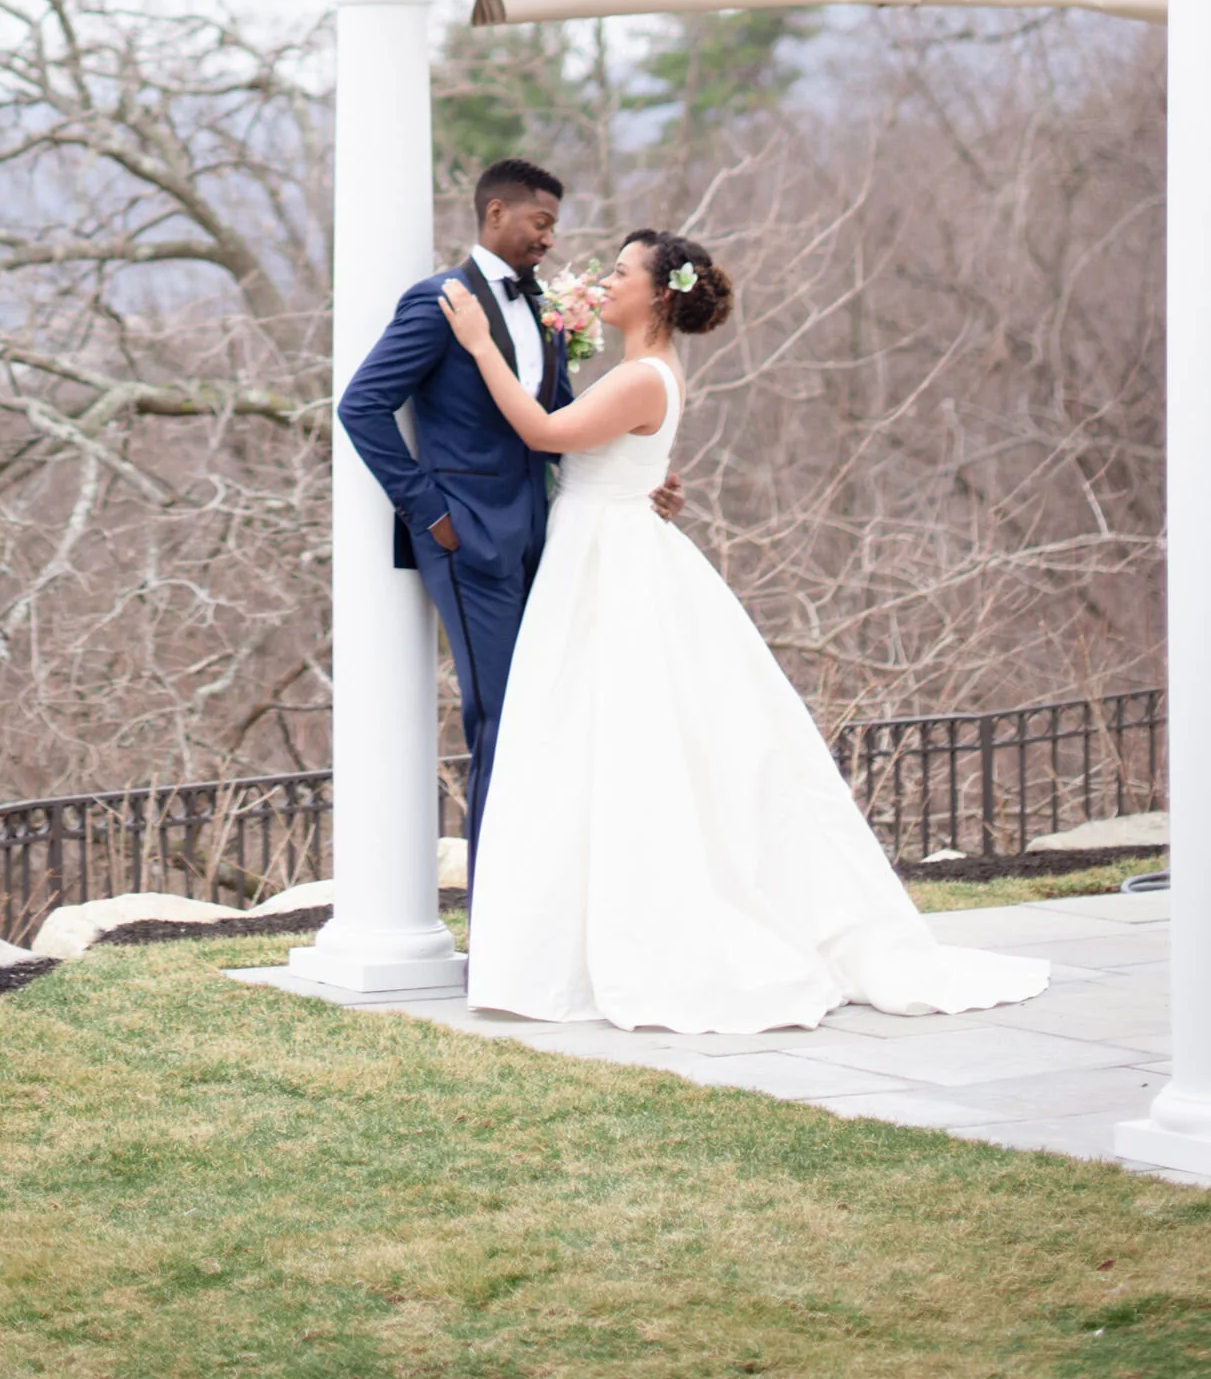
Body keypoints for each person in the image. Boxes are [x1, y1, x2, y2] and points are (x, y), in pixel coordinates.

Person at [443, 228, 1051, 1035]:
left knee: (614, 736)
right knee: (582, 740)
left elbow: (545, 435)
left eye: (620, 270)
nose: (604, 278)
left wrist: (482, 348)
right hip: (599, 548)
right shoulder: (637, 373)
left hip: (610, 565)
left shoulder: (641, 378)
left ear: (658, 293)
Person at [335, 160, 681, 865]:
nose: (550, 240)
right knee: (499, 720)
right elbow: (360, 405)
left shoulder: (544, 315)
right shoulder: (440, 301)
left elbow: (555, 427)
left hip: (544, 545)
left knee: (548, 716)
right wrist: (427, 510)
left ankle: (536, 909)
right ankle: (493, 927)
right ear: (496, 214)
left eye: (553, 226)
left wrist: (639, 478)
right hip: (466, 540)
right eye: (540, 223)